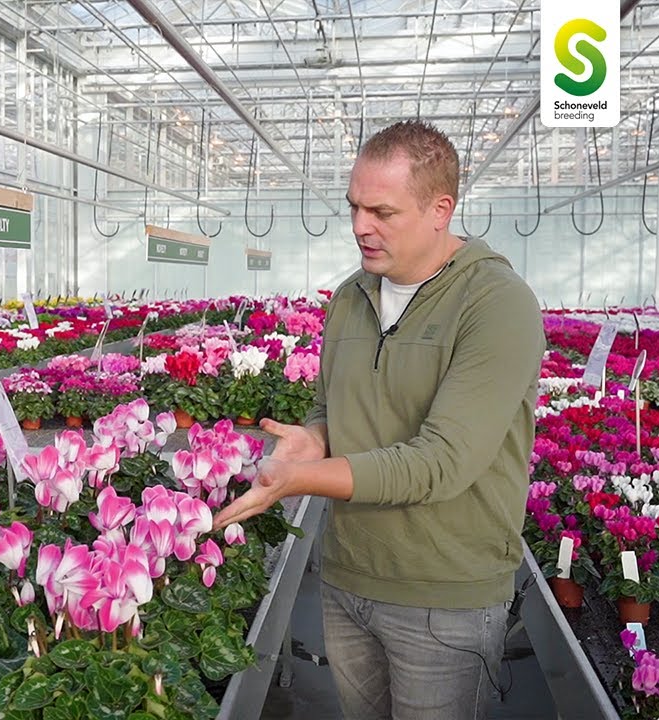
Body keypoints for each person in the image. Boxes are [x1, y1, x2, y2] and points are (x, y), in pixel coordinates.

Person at [213, 120, 545, 720]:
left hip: (442, 599)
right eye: (355, 207)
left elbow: (441, 462)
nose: (360, 225)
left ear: (440, 208)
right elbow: (332, 406)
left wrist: (298, 482)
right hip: (348, 580)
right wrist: (313, 439)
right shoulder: (350, 296)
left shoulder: (496, 305)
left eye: (382, 211)